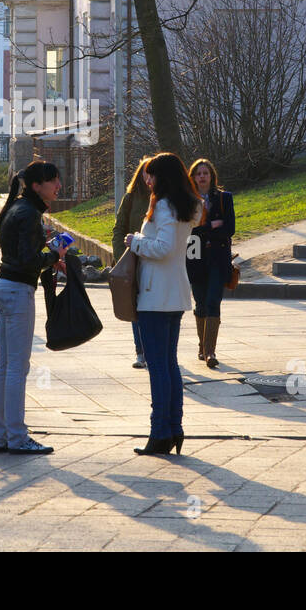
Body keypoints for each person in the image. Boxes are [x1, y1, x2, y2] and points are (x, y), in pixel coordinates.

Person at [0, 160, 69, 456]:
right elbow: (27, 260)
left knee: (3, 365)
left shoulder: (18, 208)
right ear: (37, 186)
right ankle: (18, 437)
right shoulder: (29, 213)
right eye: (54, 181)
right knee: (17, 368)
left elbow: (21, 253)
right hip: (17, 290)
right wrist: (52, 255)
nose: (58, 186)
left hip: (4, 287)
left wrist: (47, 253)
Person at [124, 152, 202, 456]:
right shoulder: (189, 205)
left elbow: (165, 248)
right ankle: (173, 428)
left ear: (162, 177)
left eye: (151, 174)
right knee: (168, 364)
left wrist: (136, 243)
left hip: (156, 294)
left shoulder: (165, 205)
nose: (147, 180)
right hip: (175, 292)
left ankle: (160, 432)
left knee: (158, 366)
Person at [186, 158, 235, 369]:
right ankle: (201, 345)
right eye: (198, 173)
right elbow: (188, 230)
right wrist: (210, 226)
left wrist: (204, 228)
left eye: (205, 172)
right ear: (193, 177)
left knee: (214, 301)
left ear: (211, 176)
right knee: (200, 302)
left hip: (217, 257)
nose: (202, 176)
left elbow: (229, 228)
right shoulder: (187, 200)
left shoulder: (224, 198)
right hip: (194, 254)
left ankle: (210, 351)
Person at [112, 156, 152, 369]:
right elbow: (119, 229)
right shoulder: (131, 197)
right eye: (146, 171)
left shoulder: (164, 199)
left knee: (152, 307)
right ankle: (140, 351)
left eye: (153, 172)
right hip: (133, 261)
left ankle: (154, 348)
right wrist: (121, 257)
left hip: (155, 261)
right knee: (135, 306)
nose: (149, 176)